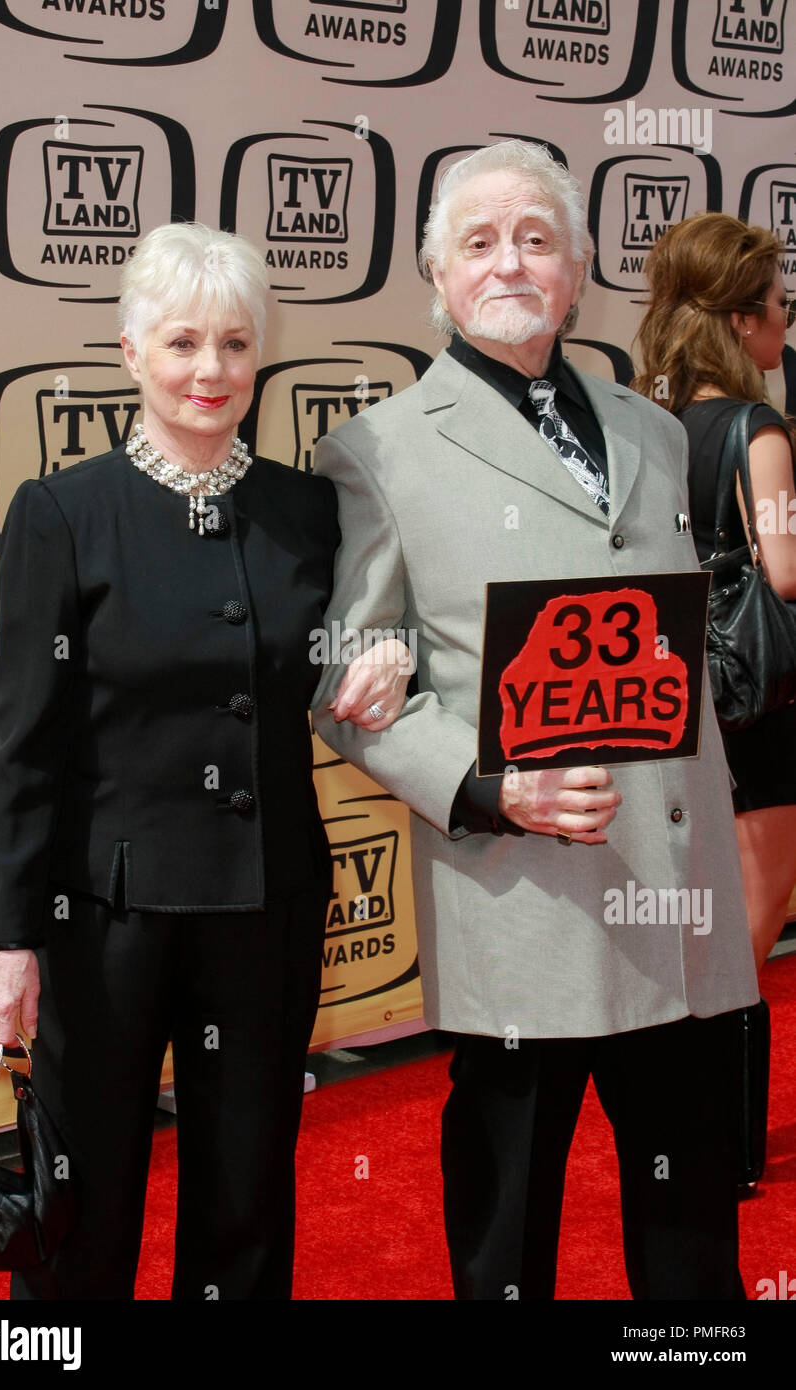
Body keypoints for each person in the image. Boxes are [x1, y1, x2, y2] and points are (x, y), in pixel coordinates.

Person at [311, 141, 759, 1300]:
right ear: (436, 276)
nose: (507, 262)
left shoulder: (653, 430)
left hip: (678, 897)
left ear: (575, 270)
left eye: (534, 238)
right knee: (507, 1237)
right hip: (520, 896)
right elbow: (348, 682)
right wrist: (482, 786)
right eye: (477, 241)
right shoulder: (379, 452)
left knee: (691, 1244)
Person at [0, 222, 410, 1301]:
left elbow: (360, 642)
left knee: (245, 1192)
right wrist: (9, 939)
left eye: (232, 344)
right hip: (104, 918)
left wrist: (390, 647)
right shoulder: (64, 514)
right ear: (130, 353)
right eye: (181, 344)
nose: (209, 371)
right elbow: (26, 742)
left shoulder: (308, 509)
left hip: (265, 911)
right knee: (88, 1196)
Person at [633, 212, 796, 971]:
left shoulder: (648, 420)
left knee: (698, 889)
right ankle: (721, 1045)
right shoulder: (756, 426)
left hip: (667, 684)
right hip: (754, 695)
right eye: (779, 302)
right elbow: (785, 569)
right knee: (759, 893)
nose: (785, 318)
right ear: (742, 320)